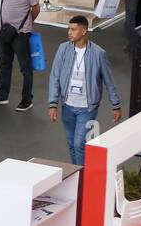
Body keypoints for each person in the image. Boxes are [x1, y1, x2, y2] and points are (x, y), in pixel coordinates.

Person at [47, 16, 122, 166]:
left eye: (73, 29)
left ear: (83, 31)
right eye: (69, 29)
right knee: (71, 144)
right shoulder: (63, 49)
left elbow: (109, 80)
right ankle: (79, 172)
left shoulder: (98, 53)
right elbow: (54, 76)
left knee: (79, 144)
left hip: (87, 108)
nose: (69, 32)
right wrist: (53, 104)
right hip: (67, 106)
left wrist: (116, 105)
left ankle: (82, 178)